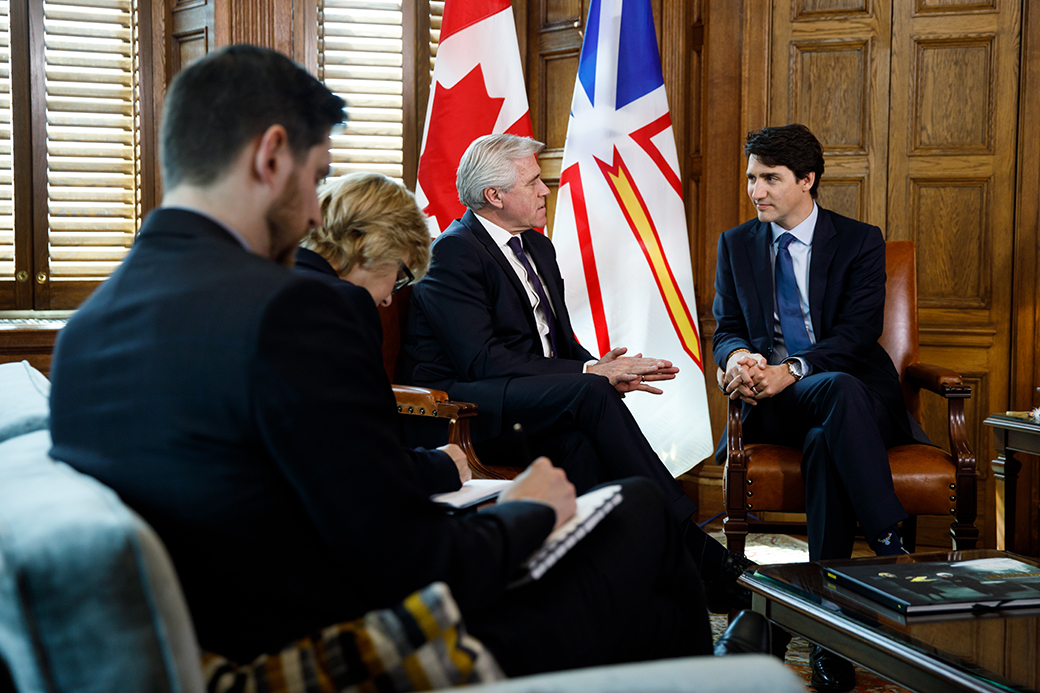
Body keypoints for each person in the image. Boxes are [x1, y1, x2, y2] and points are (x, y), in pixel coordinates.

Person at [47, 45, 765, 679]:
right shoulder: (292, 312)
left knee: (632, 562)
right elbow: (412, 564)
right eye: (315, 177)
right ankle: (734, 663)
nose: (311, 218)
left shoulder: (85, 334)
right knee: (637, 514)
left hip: (239, 628)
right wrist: (521, 511)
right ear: (270, 155)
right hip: (346, 644)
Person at [401, 133, 753, 613]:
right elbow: (481, 359)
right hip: (468, 409)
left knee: (582, 446)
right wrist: (590, 374)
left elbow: (559, 344)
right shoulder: (454, 253)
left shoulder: (537, 249)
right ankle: (699, 552)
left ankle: (650, 581)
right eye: (533, 181)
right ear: (494, 196)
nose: (547, 190)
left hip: (526, 401)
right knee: (589, 395)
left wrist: (600, 365)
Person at [712, 123, 928, 693]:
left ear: (807, 181)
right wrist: (737, 360)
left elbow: (859, 333)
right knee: (829, 401)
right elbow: (726, 329)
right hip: (775, 400)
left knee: (830, 421)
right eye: (753, 177)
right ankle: (889, 547)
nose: (756, 190)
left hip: (848, 392)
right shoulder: (736, 243)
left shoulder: (859, 240)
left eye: (771, 179)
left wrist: (794, 369)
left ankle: (828, 637)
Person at [293, 172, 471, 495]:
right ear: (371, 247)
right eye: (400, 275)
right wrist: (443, 466)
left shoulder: (268, 278)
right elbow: (367, 466)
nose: (390, 297)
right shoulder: (344, 303)